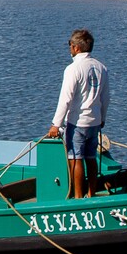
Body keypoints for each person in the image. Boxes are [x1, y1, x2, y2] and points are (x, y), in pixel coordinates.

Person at [45, 28, 110, 199]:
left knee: (76, 159)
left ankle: (79, 196)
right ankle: (92, 193)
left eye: (70, 45)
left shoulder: (73, 69)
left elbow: (65, 99)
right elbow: (106, 97)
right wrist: (102, 118)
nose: (69, 49)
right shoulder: (101, 67)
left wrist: (55, 125)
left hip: (77, 122)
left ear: (76, 48)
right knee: (91, 157)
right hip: (95, 121)